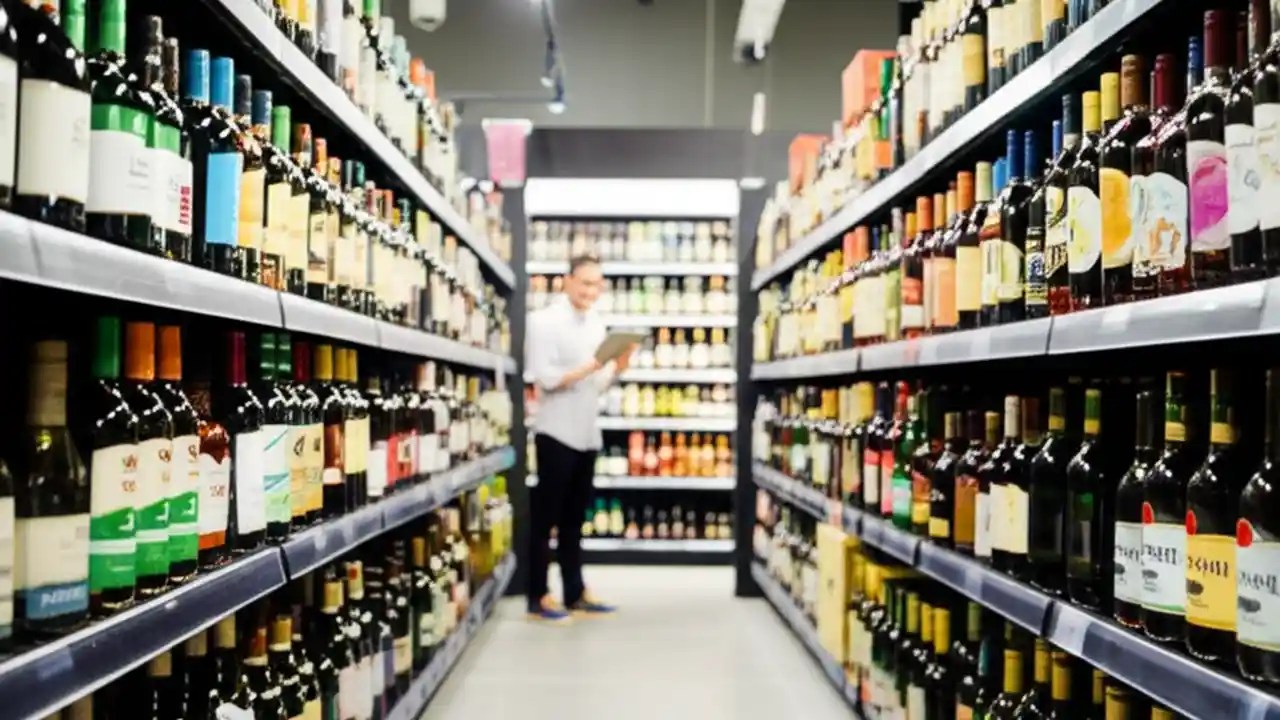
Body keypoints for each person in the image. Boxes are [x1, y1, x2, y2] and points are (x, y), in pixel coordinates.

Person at [524, 254, 633, 622]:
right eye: (585, 283)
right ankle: (537, 595)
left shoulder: (596, 324)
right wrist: (593, 365)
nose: (591, 291)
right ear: (567, 281)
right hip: (555, 432)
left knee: (574, 520)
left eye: (597, 285)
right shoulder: (542, 322)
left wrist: (619, 365)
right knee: (545, 520)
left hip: (587, 433)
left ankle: (575, 591)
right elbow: (545, 378)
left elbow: (597, 385)